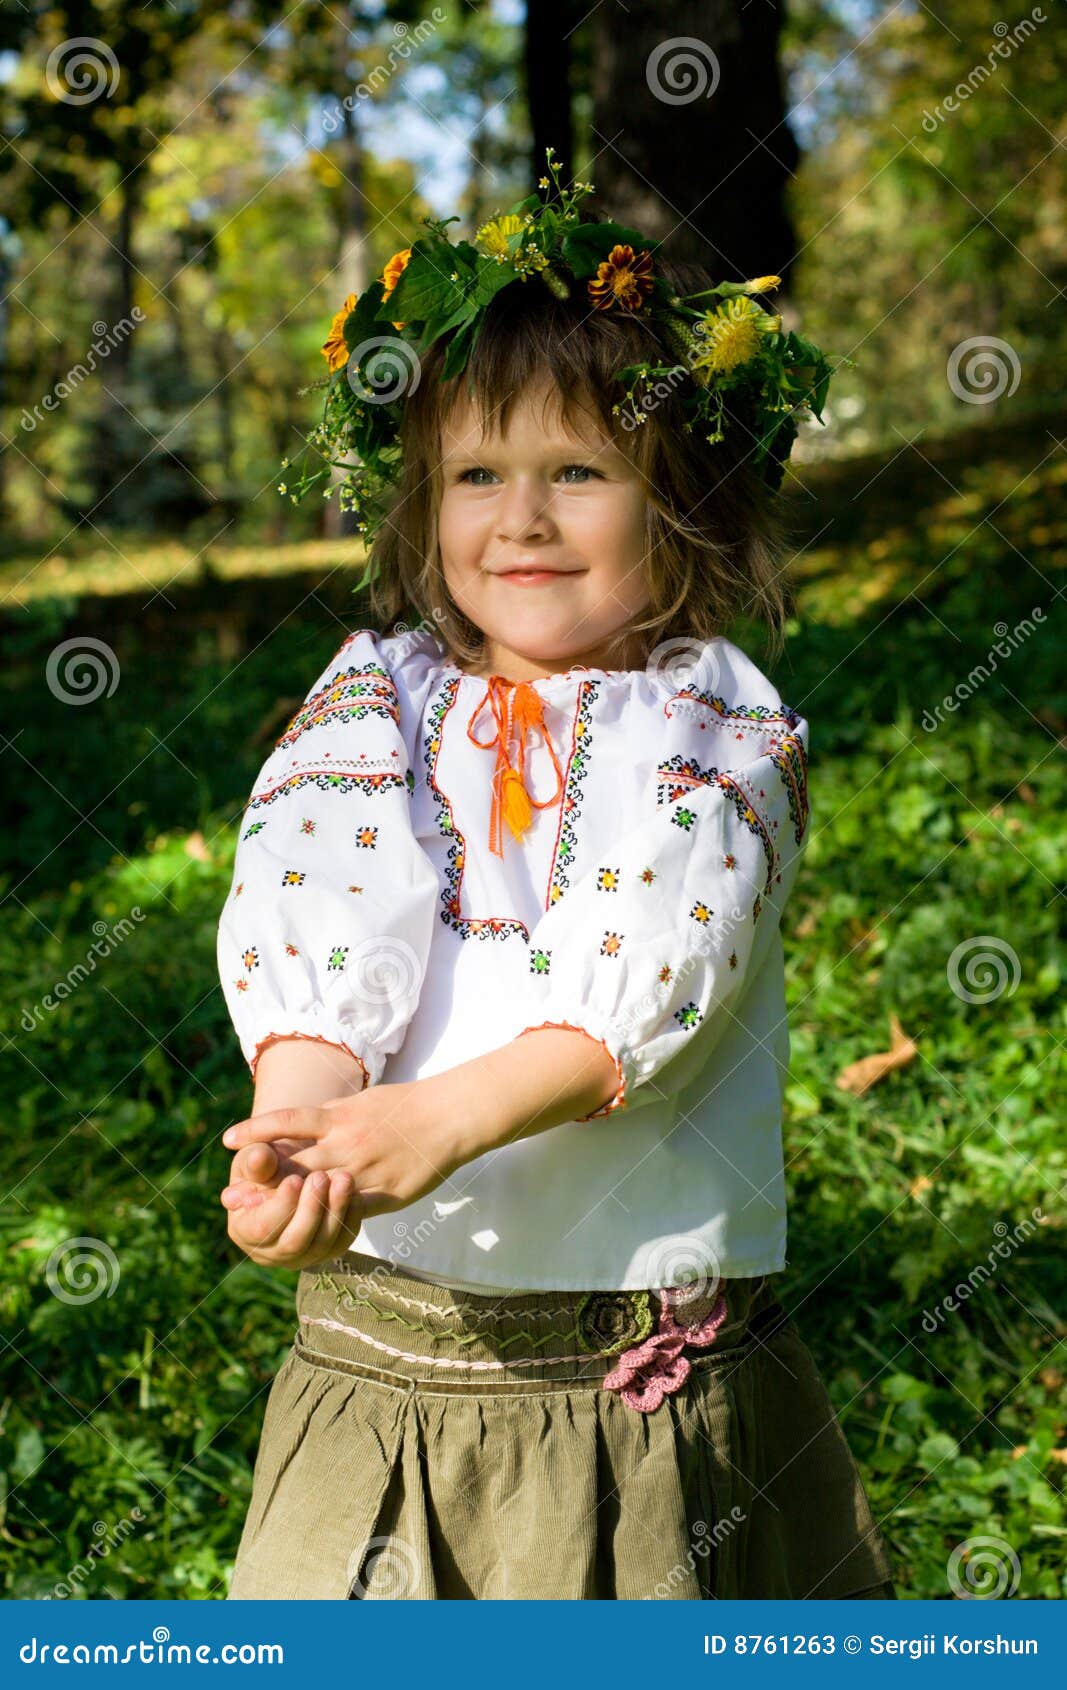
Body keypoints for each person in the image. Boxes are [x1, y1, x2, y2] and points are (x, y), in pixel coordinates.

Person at [213, 154, 896, 1601]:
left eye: (578, 471)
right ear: (423, 499)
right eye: (478, 474)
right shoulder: (376, 698)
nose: (521, 517)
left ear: (680, 498)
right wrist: (304, 1130)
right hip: (389, 1344)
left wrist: (440, 1119)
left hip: (621, 1357)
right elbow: (322, 893)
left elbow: (656, 954)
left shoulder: (714, 719)